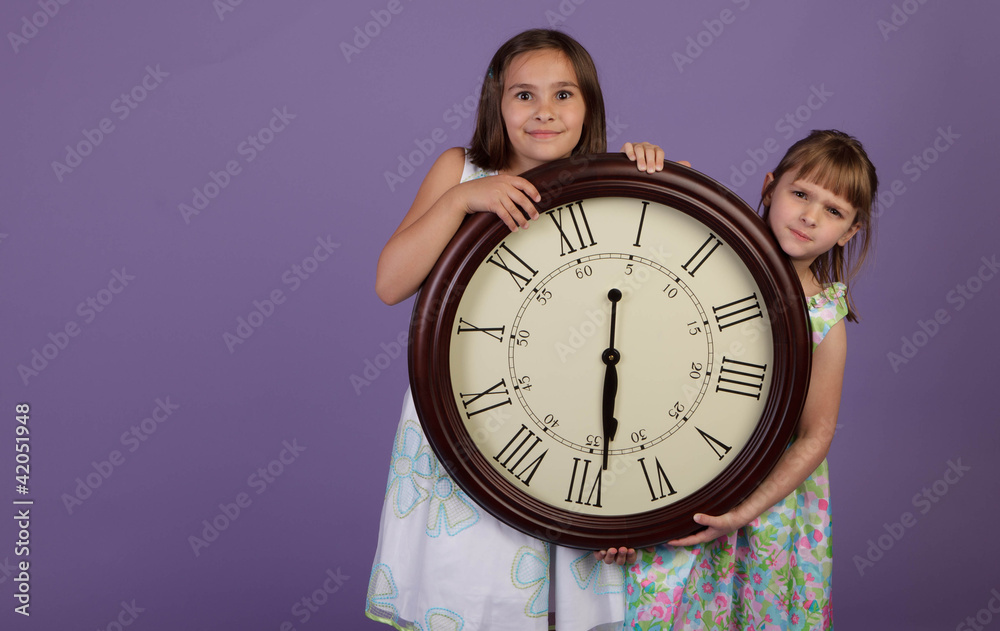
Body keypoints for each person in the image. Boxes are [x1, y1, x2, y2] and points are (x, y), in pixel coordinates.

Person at [367, 28, 668, 631]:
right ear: (496, 104)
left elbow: (667, 301)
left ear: (589, 108)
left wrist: (658, 173)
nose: (544, 112)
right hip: (466, 415)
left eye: (564, 95)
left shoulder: (611, 185)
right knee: (474, 584)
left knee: (576, 587)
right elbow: (390, 283)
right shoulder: (461, 170)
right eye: (524, 95)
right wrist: (460, 202)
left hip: (576, 411)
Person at [611, 129, 879, 630]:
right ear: (769, 187)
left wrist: (743, 512)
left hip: (764, 509)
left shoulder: (823, 319)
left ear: (849, 231)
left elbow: (815, 434)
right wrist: (647, 169)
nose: (809, 216)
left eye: (833, 211)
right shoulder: (701, 264)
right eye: (800, 194)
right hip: (677, 478)